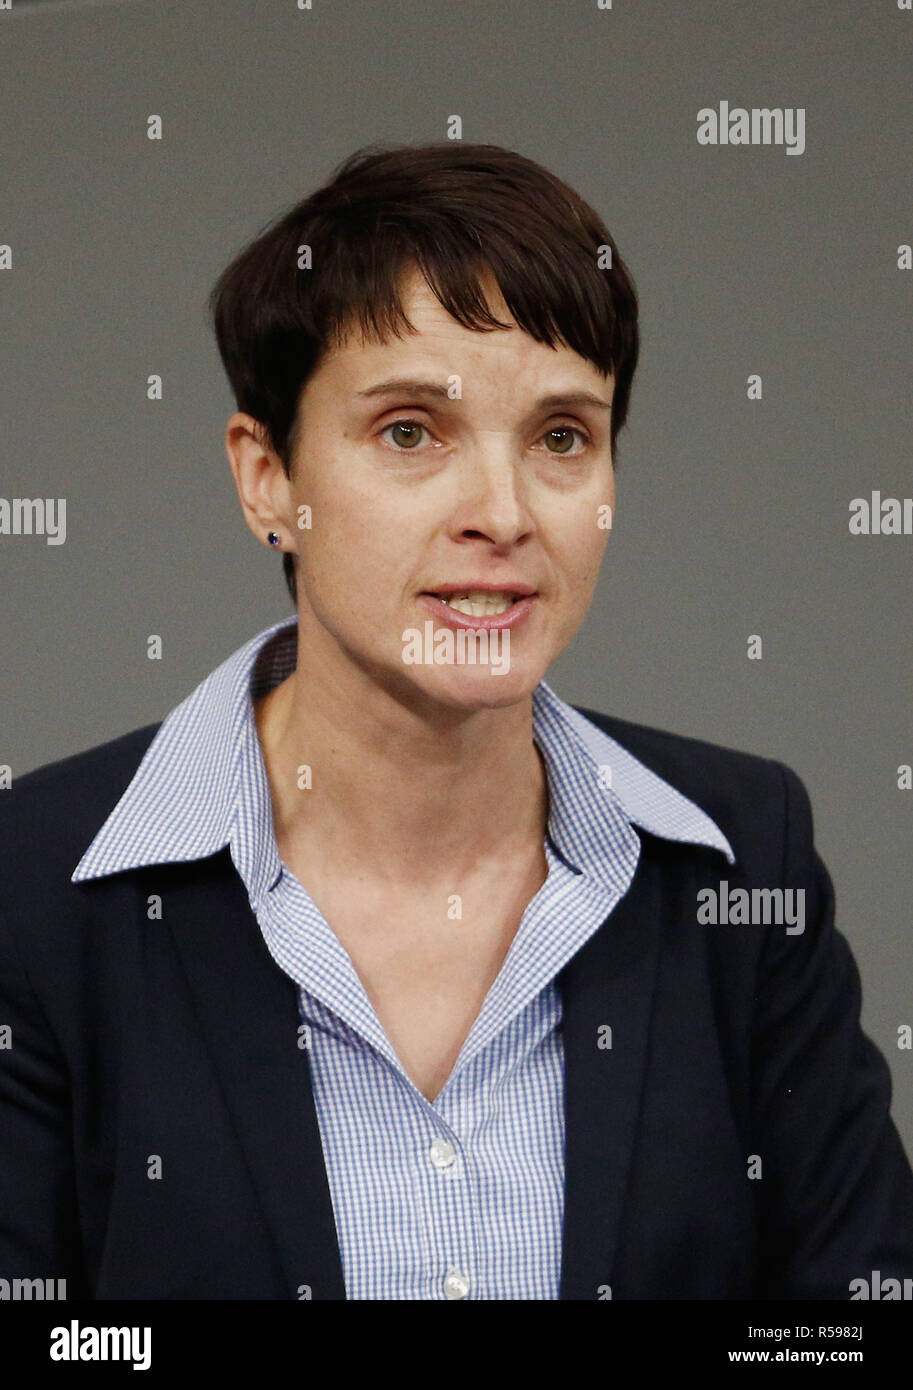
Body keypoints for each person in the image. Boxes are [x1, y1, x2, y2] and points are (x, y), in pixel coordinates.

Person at [1, 142, 911, 1301]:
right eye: (409, 432)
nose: (503, 512)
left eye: (561, 436)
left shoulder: (742, 858)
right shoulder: (34, 884)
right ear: (268, 479)